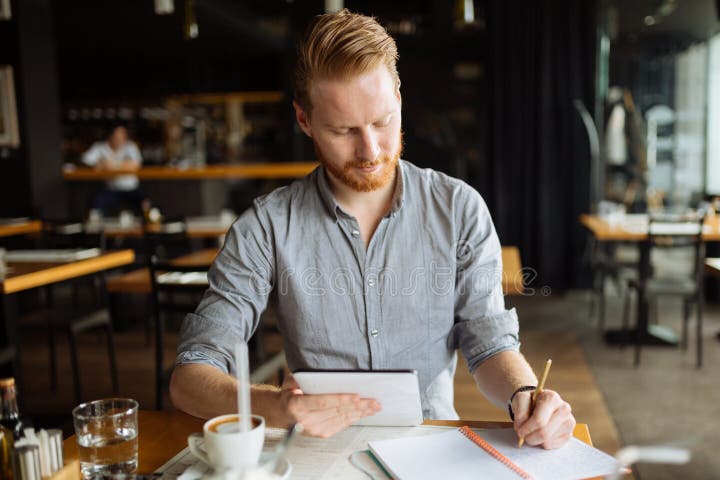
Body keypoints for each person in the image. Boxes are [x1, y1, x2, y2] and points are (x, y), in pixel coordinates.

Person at [171, 9, 575, 448]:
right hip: (315, 450)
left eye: (383, 122)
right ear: (304, 120)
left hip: (430, 445)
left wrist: (525, 396)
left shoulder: (459, 209)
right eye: (343, 130)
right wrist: (277, 407)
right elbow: (191, 375)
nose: (370, 150)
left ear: (399, 98)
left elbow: (489, 343)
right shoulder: (266, 227)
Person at [81, 125, 143, 216]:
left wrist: (112, 164)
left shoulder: (130, 146)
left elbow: (136, 164)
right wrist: (102, 164)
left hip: (131, 190)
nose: (121, 137)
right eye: (118, 135)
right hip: (111, 190)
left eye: (123, 134)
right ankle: (97, 228)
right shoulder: (100, 146)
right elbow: (85, 160)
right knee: (95, 202)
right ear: (110, 135)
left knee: (146, 202)